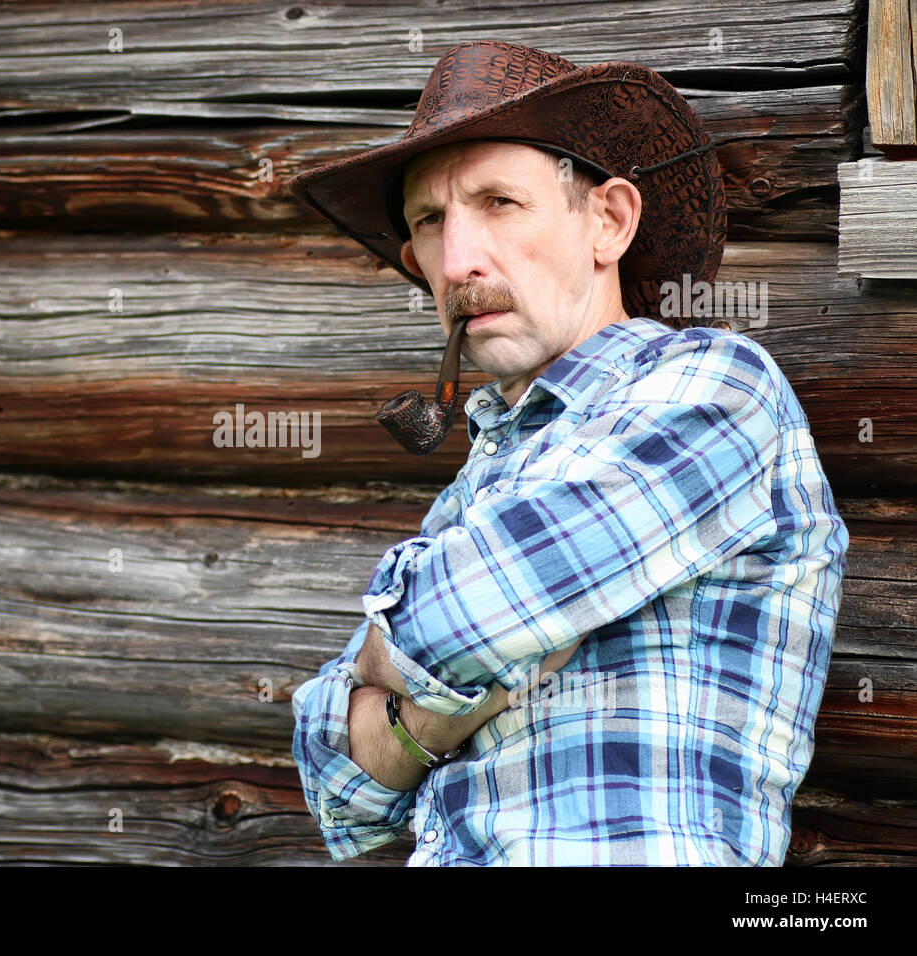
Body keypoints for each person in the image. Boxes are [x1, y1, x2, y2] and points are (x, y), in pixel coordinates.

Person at [284, 40, 848, 865]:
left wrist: (390, 675)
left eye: (498, 203)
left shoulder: (712, 390)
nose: (458, 261)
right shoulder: (481, 477)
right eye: (430, 223)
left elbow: (463, 614)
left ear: (609, 221)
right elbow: (332, 779)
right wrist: (436, 704)